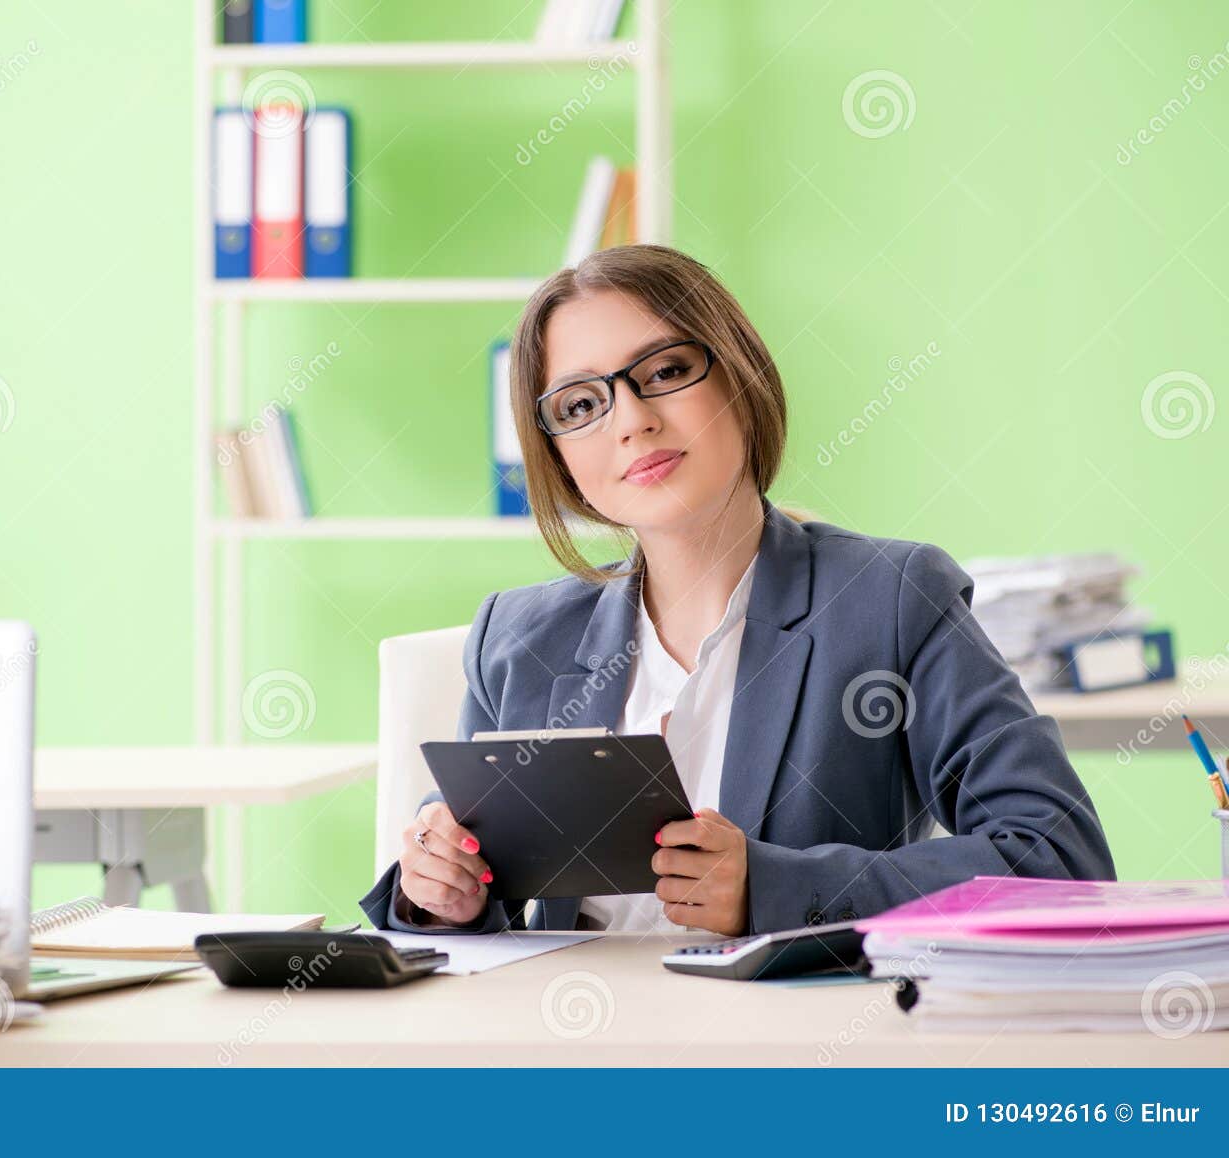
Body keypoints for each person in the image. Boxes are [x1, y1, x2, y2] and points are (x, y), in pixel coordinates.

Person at [359, 244, 1115, 937]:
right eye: (581, 405)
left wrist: (778, 888)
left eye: (663, 372)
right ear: (557, 456)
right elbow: (464, 901)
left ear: (740, 376)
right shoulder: (518, 639)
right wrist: (438, 893)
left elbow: (1059, 859)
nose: (633, 421)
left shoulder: (891, 601)